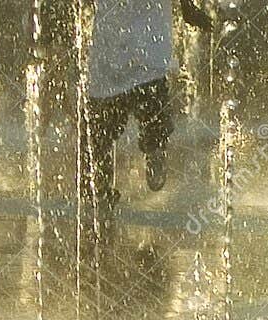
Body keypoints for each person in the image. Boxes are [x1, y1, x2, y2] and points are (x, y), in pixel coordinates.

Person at [86, 0, 214, 205]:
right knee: (103, 124)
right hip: (121, 40)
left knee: (121, 112)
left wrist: (187, 8)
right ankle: (102, 186)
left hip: (141, 38)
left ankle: (153, 148)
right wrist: (188, 9)